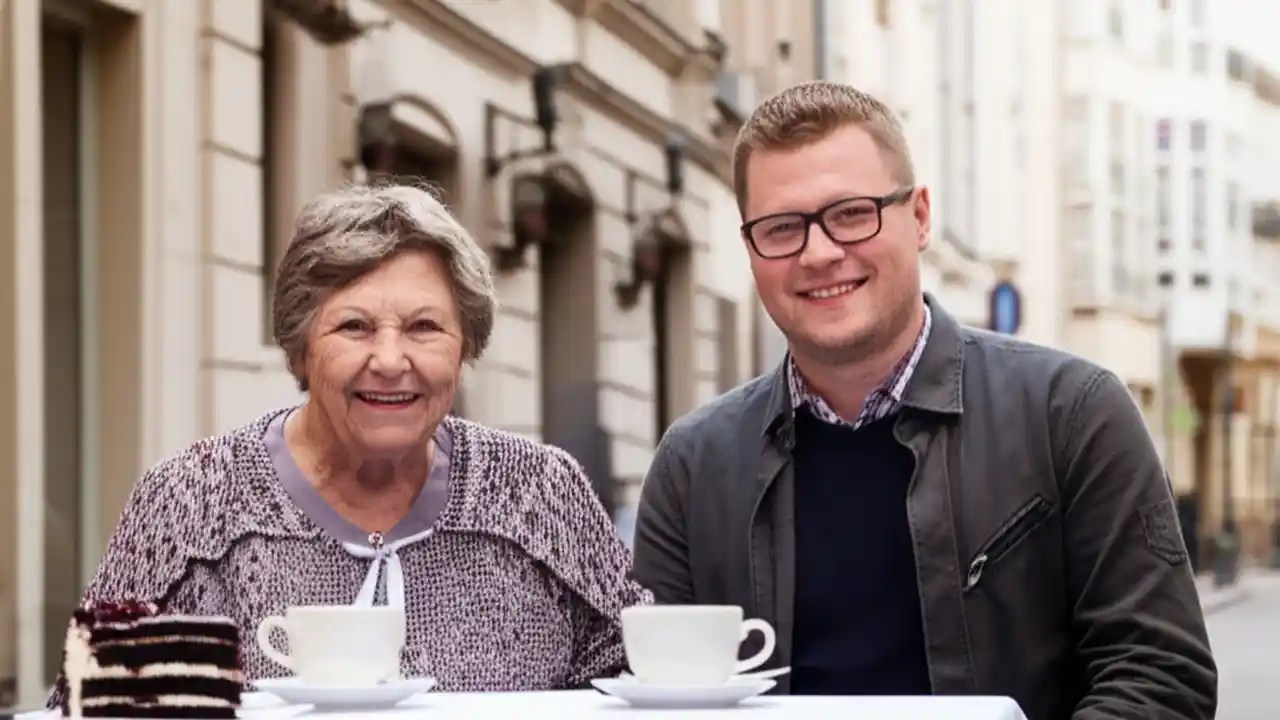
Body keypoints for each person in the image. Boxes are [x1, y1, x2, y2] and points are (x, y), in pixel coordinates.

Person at [631, 81, 1216, 718]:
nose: (820, 252)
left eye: (852, 213)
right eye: (781, 228)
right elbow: (664, 699)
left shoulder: (1072, 415)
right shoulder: (692, 466)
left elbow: (1160, 677)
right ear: (751, 250)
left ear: (919, 217)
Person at [51, 183, 649, 700]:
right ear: (300, 348)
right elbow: (87, 704)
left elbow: (640, 678)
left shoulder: (539, 491)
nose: (390, 361)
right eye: (354, 327)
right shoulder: (190, 499)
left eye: (423, 327)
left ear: (465, 346)